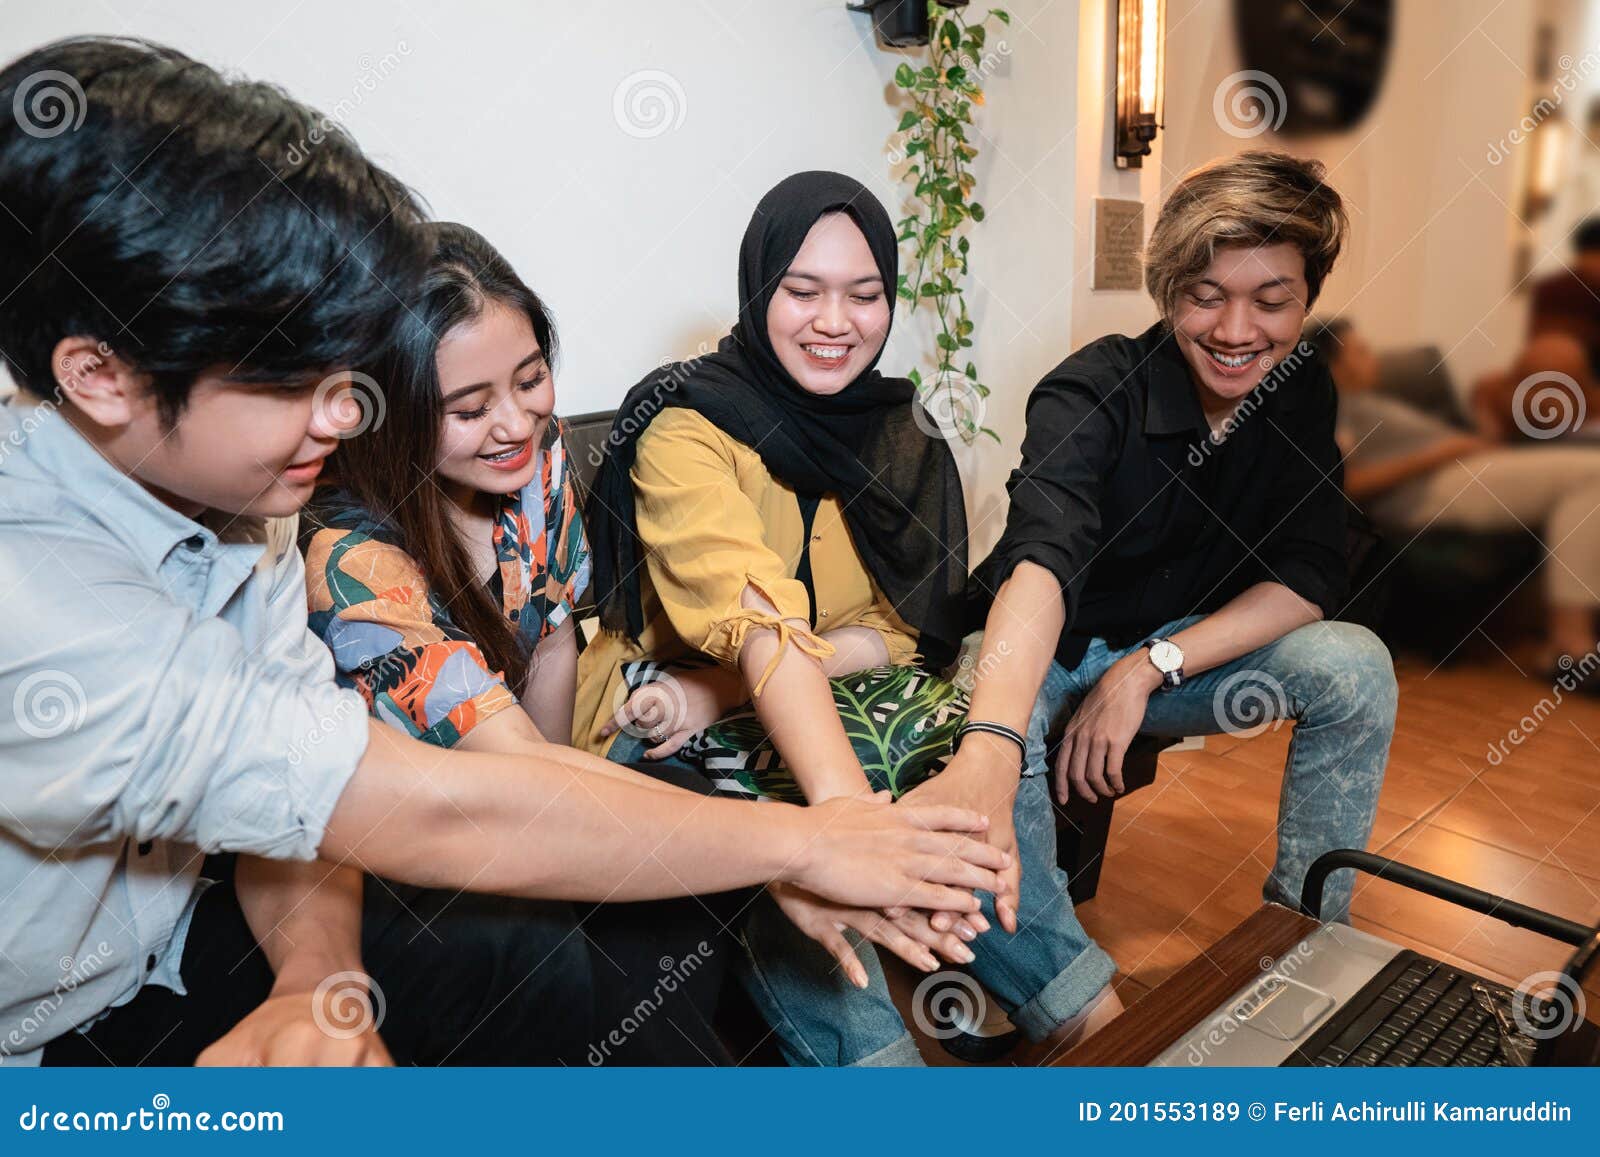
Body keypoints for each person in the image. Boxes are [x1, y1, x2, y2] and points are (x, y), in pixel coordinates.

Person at [0, 37, 1006, 1068]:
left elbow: (292, 816)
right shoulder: (40, 602)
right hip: (44, 1031)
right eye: (290, 382)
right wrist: (811, 836)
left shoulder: (248, 503)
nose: (342, 414)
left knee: (571, 944)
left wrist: (315, 983)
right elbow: (434, 802)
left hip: (182, 932)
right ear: (100, 373)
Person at [577, 171, 1123, 1066]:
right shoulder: (683, 424)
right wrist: (839, 821)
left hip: (774, 691)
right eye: (803, 291)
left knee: (971, 743)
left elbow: (900, 628)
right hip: (658, 717)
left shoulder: (890, 432)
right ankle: (873, 1055)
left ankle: (1068, 998)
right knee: (775, 790)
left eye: (865, 295)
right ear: (760, 290)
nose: (836, 321)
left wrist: (734, 691)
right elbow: (755, 620)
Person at [948, 151, 1397, 928]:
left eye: (1271, 301)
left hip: (1172, 652)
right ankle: (1063, 986)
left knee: (1357, 666)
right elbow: (1042, 562)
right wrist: (1011, 715)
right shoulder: (1092, 389)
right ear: (1168, 292)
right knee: (994, 717)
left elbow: (1311, 574)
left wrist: (1148, 668)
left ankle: (1305, 933)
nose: (1236, 331)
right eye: (1206, 296)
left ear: (1307, 301)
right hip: (1048, 641)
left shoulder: (1300, 389)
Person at [1314, 316, 1600, 679]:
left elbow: (1473, 440)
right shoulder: (1335, 406)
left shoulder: (1373, 401)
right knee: (1593, 474)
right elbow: (1349, 483)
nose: (1374, 359)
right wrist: (1442, 453)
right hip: (1428, 491)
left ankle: (1564, 645)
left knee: (1589, 480)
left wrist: (1479, 419)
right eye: (1361, 351)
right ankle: (1571, 644)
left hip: (1463, 472)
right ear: (1337, 362)